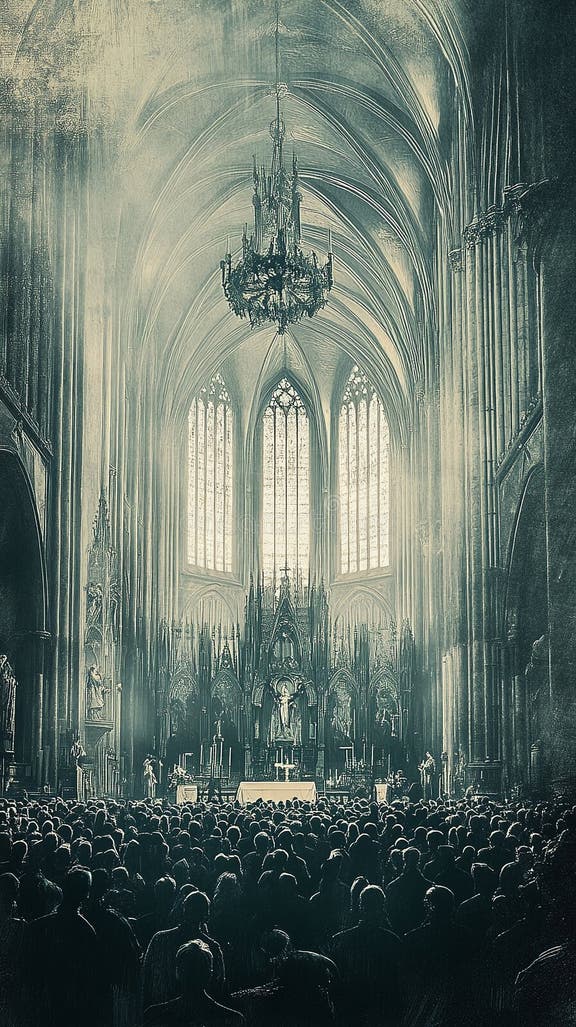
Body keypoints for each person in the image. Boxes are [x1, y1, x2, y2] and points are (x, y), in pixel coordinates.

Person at [330, 885, 403, 1025]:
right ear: (383, 908)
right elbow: (397, 984)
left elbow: (334, 982)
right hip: (380, 1010)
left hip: (350, 1009)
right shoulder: (393, 941)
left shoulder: (340, 940)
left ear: (360, 907)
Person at [145, 939, 244, 1026]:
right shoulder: (232, 1019)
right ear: (209, 974)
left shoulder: (155, 1015)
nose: (194, 974)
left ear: (178, 972)